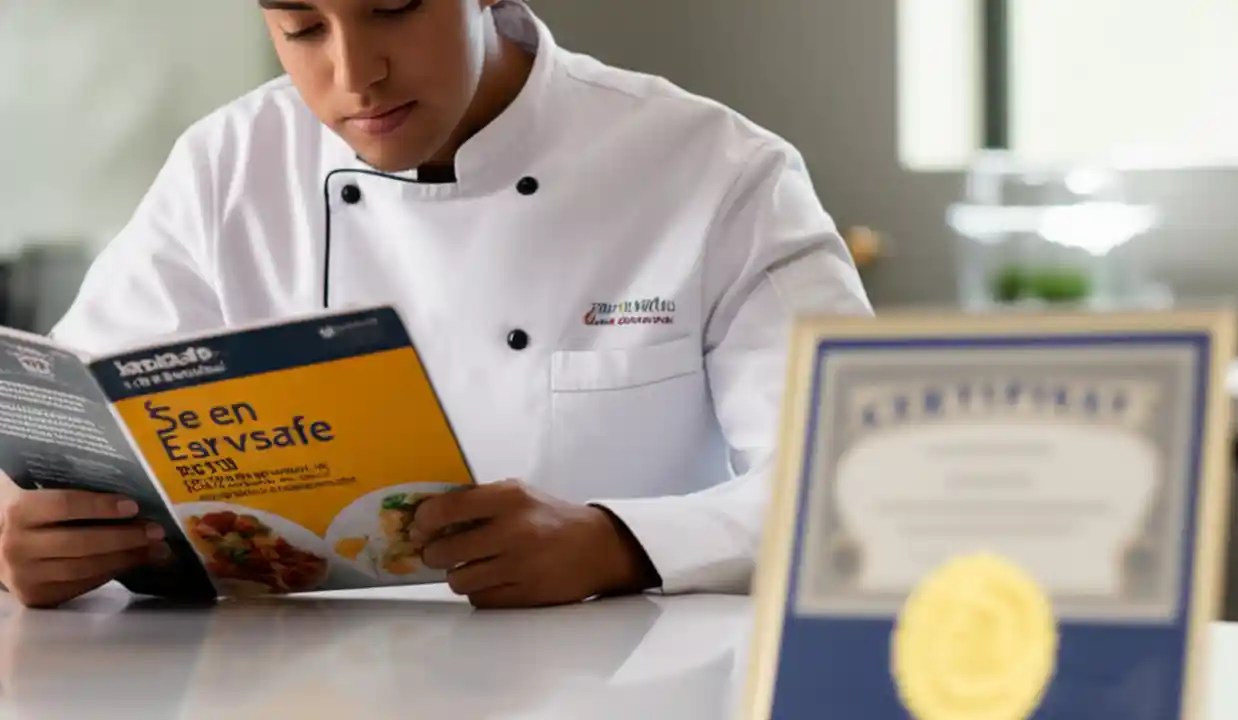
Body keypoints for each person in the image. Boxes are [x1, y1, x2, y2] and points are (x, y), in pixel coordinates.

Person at [0, 0, 871, 609]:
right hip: (284, 685)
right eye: (300, 26)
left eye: (395, 8)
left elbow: (856, 483)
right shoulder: (226, 168)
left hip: (629, 683)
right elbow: (59, 424)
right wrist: (25, 540)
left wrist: (620, 543)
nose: (355, 75)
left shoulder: (717, 172)